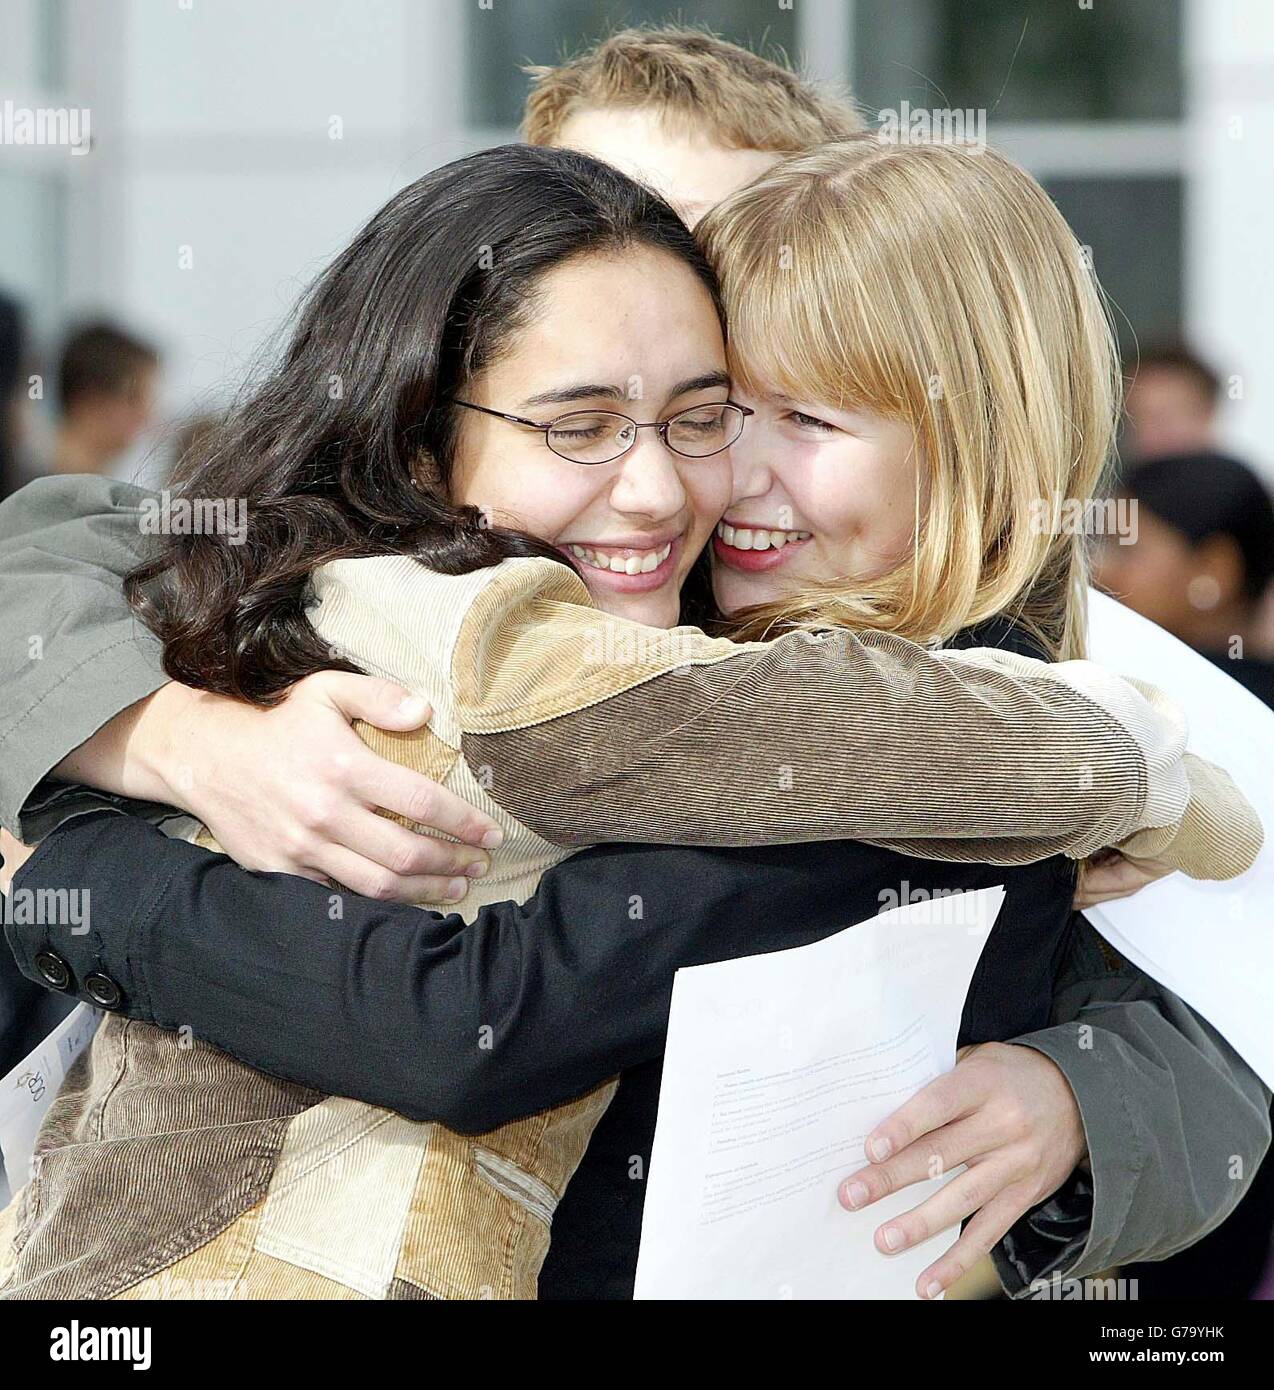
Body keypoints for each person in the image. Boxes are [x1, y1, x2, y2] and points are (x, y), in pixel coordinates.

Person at [0, 133, 1263, 1303]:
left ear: (979, 450)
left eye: (800, 422)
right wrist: (166, 736)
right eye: (729, 411)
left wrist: (83, 877)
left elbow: (468, 1027)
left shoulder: (907, 736)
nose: (702, 480)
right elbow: (86, 535)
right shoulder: (657, 625)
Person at [45, 321, 159, 479]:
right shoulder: (18, 490)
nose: (146, 415)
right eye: (133, 398)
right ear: (90, 397)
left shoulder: (105, 494)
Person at [1122, 341, 1224, 465]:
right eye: (1138, 418)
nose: (1149, 434)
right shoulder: (1126, 480)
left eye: (1164, 417)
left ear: (1206, 413)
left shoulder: (1240, 481)